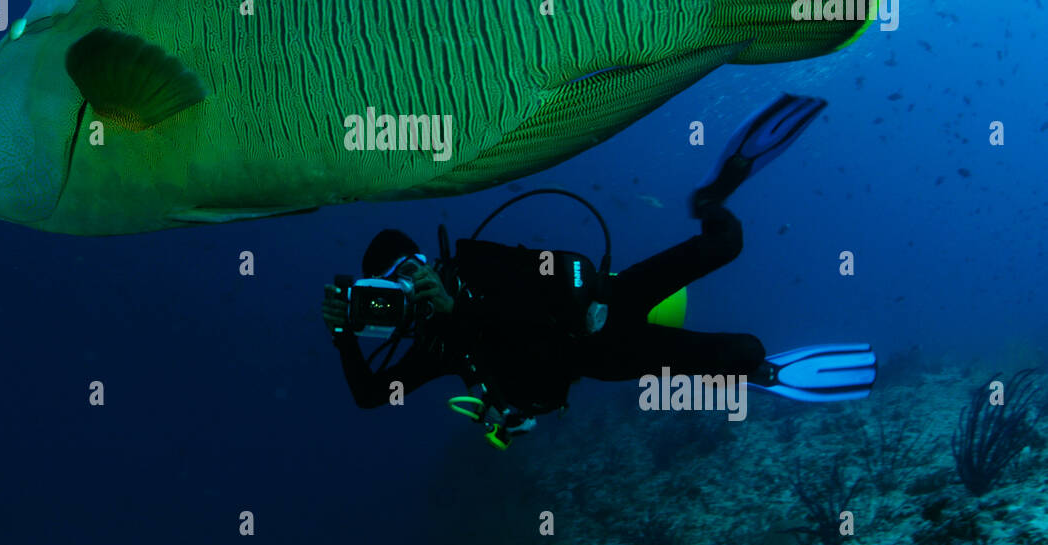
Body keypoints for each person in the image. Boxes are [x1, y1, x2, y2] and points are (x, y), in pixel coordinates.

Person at [322, 95, 876, 442]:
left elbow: (550, 291)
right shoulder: (432, 349)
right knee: (745, 353)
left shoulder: (475, 265)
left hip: (611, 297)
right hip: (598, 356)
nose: (408, 288)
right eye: (390, 286)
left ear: (426, 260)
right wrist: (344, 336)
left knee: (727, 242)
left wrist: (459, 305)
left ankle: (713, 195)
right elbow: (373, 396)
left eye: (410, 267)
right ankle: (764, 374)